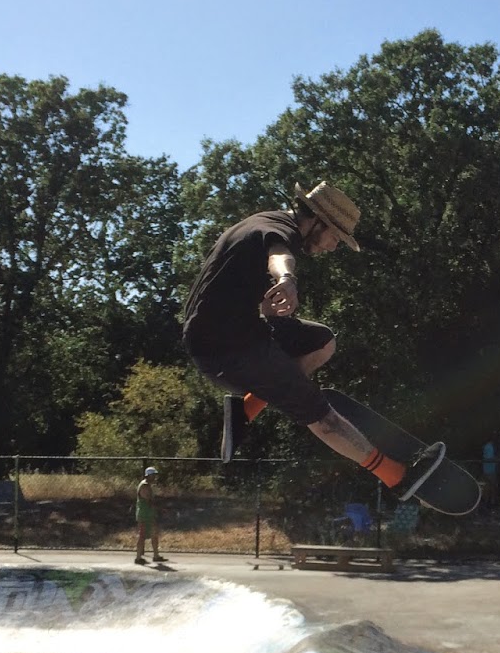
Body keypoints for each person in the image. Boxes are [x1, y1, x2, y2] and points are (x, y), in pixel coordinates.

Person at [180, 181, 444, 502]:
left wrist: (269, 304)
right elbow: (280, 256)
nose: (332, 247)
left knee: (321, 341)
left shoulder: (266, 220)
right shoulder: (281, 234)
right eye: (335, 237)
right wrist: (286, 279)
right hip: (228, 350)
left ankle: (245, 410)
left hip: (231, 332)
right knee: (324, 417)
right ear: (316, 221)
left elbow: (240, 283)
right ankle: (396, 476)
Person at [134, 467, 165, 565]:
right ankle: (138, 558)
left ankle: (156, 555)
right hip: (144, 514)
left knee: (154, 534)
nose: (155, 477)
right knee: (142, 535)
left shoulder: (148, 485)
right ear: (148, 475)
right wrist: (160, 508)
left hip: (149, 514)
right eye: (153, 475)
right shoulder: (144, 486)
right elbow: (148, 500)